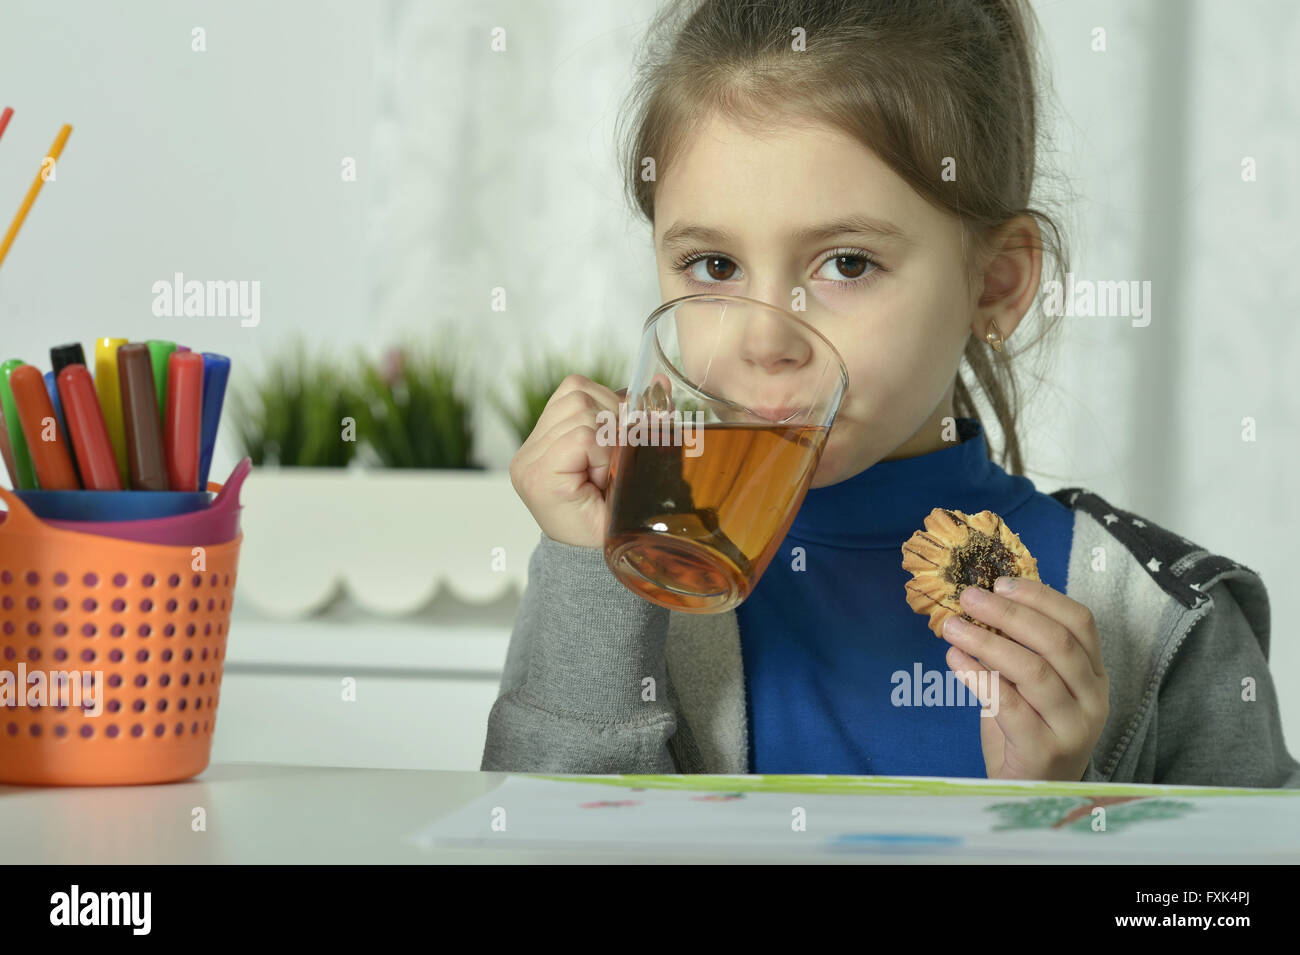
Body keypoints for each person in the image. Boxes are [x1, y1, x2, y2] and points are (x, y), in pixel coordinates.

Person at [482, 0, 1300, 786]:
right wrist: (590, 573)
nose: (766, 340)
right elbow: (531, 845)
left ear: (997, 284)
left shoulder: (1164, 618)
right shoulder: (632, 585)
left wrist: (1060, 812)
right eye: (715, 266)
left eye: (846, 264)